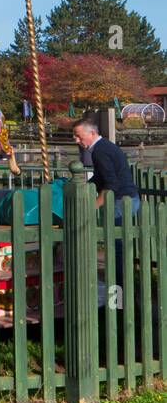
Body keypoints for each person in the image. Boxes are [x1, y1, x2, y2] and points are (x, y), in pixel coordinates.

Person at [72, 118, 140, 289]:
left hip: (121, 200)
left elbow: (111, 184)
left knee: (116, 248)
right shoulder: (105, 146)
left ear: (92, 133)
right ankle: (121, 290)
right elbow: (102, 176)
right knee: (117, 245)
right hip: (128, 198)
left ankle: (119, 291)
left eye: (79, 136)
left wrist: (93, 205)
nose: (76, 140)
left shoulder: (99, 151)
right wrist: (85, 186)